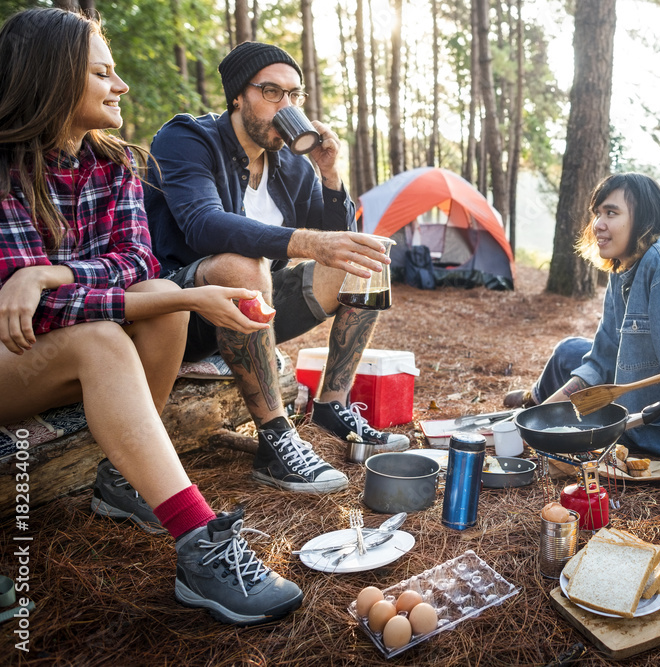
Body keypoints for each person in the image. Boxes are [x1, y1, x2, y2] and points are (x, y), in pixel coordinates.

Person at [0, 8, 302, 625]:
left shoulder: (115, 165)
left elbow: (136, 263)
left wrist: (50, 273)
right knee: (104, 338)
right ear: (53, 77)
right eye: (103, 73)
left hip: (59, 342)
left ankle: (121, 479)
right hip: (11, 358)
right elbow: (48, 312)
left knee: (160, 304)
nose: (122, 86)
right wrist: (173, 295)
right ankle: (200, 542)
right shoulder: (5, 168)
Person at [143, 41, 409, 495]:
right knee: (241, 266)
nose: (287, 106)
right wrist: (304, 241)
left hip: (252, 310)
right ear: (237, 96)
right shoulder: (187, 139)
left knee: (367, 257)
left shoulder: (293, 165)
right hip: (180, 310)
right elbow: (202, 225)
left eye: (295, 95)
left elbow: (338, 240)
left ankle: (332, 404)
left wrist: (330, 174)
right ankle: (275, 440)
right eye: (272, 92)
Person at [504, 173, 660, 470]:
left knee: (576, 358)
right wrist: (538, 421)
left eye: (611, 213)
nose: (598, 225)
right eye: (597, 214)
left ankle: (536, 398)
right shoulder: (622, 269)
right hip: (649, 398)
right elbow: (601, 360)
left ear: (643, 219)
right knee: (570, 351)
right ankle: (535, 401)